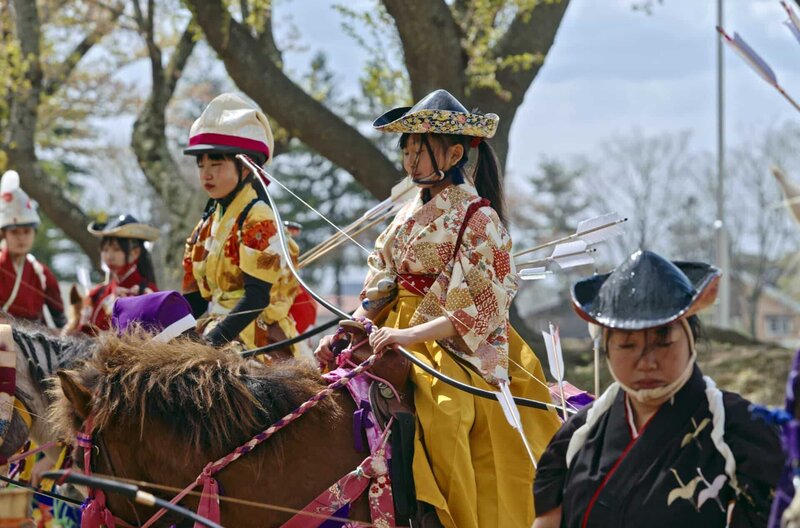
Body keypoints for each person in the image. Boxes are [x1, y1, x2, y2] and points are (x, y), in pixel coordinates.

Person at [314, 89, 561, 528]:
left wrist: (407, 336)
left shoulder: (479, 218)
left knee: (448, 414)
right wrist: (352, 324)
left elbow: (482, 308)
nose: (411, 160)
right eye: (406, 149)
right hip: (390, 329)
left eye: (420, 149)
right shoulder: (407, 210)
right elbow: (383, 279)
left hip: (453, 345)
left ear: (455, 151)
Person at [533, 250, 783, 528]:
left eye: (663, 343)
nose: (647, 362)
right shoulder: (577, 436)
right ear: (606, 348)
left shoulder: (743, 432)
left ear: (691, 340)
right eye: (628, 345)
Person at [182, 93, 300, 357]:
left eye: (216, 163)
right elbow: (198, 299)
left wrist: (210, 346)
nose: (206, 174)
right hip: (213, 330)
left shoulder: (258, 216)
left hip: (257, 337)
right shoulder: (206, 222)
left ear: (246, 167)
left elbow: (256, 298)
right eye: (201, 165)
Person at [73, 214, 159, 334]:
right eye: (105, 250)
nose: (109, 256)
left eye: (116, 249)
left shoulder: (149, 294)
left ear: (135, 253)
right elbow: (82, 337)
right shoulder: (96, 295)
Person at [0, 170, 65, 328]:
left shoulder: (42, 274)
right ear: (3, 234)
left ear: (34, 233)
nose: (21, 238)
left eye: (27, 231)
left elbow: (60, 320)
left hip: (34, 348)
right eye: (14, 232)